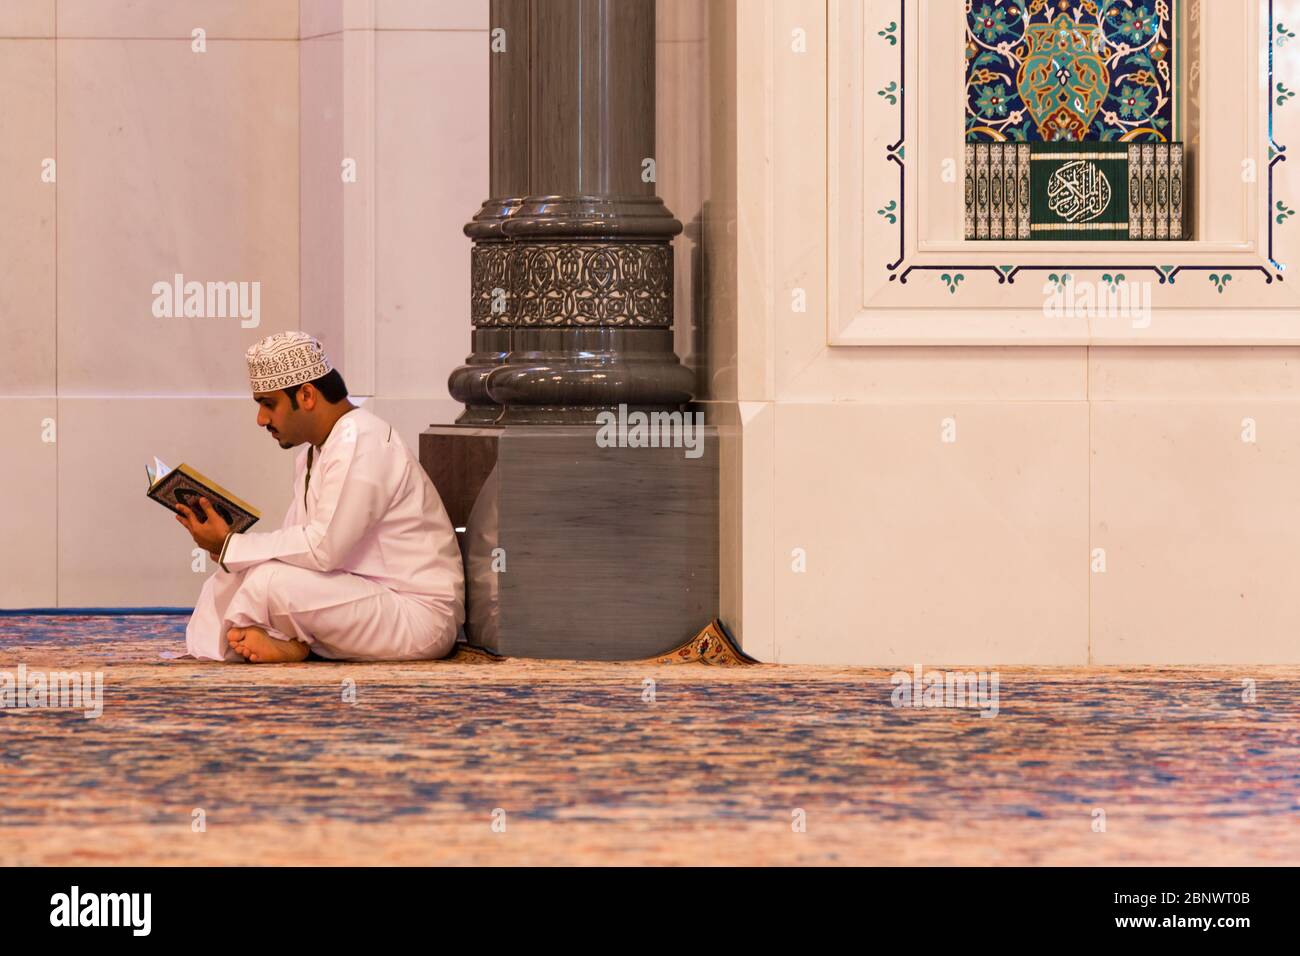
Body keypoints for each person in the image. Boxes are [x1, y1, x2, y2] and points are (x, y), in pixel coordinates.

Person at [176, 331, 465, 663]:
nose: (261, 420)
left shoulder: (362, 440)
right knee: (240, 576)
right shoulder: (316, 452)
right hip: (367, 595)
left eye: (268, 405)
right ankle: (293, 643)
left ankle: (295, 644)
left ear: (307, 395)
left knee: (268, 582)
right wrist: (228, 549)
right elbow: (298, 549)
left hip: (418, 615)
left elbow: (322, 549)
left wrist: (232, 545)